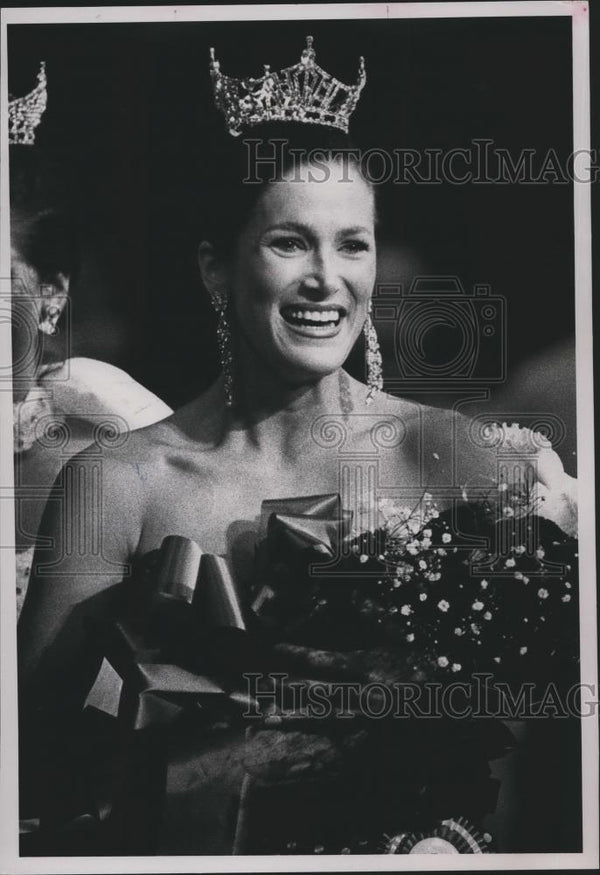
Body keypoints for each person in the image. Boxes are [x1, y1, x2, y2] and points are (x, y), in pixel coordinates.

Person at [17, 38, 578, 853]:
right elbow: (33, 763)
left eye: (352, 243)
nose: (326, 278)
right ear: (215, 267)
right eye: (289, 242)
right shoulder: (118, 483)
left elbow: (538, 749)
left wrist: (449, 840)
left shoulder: (453, 454)